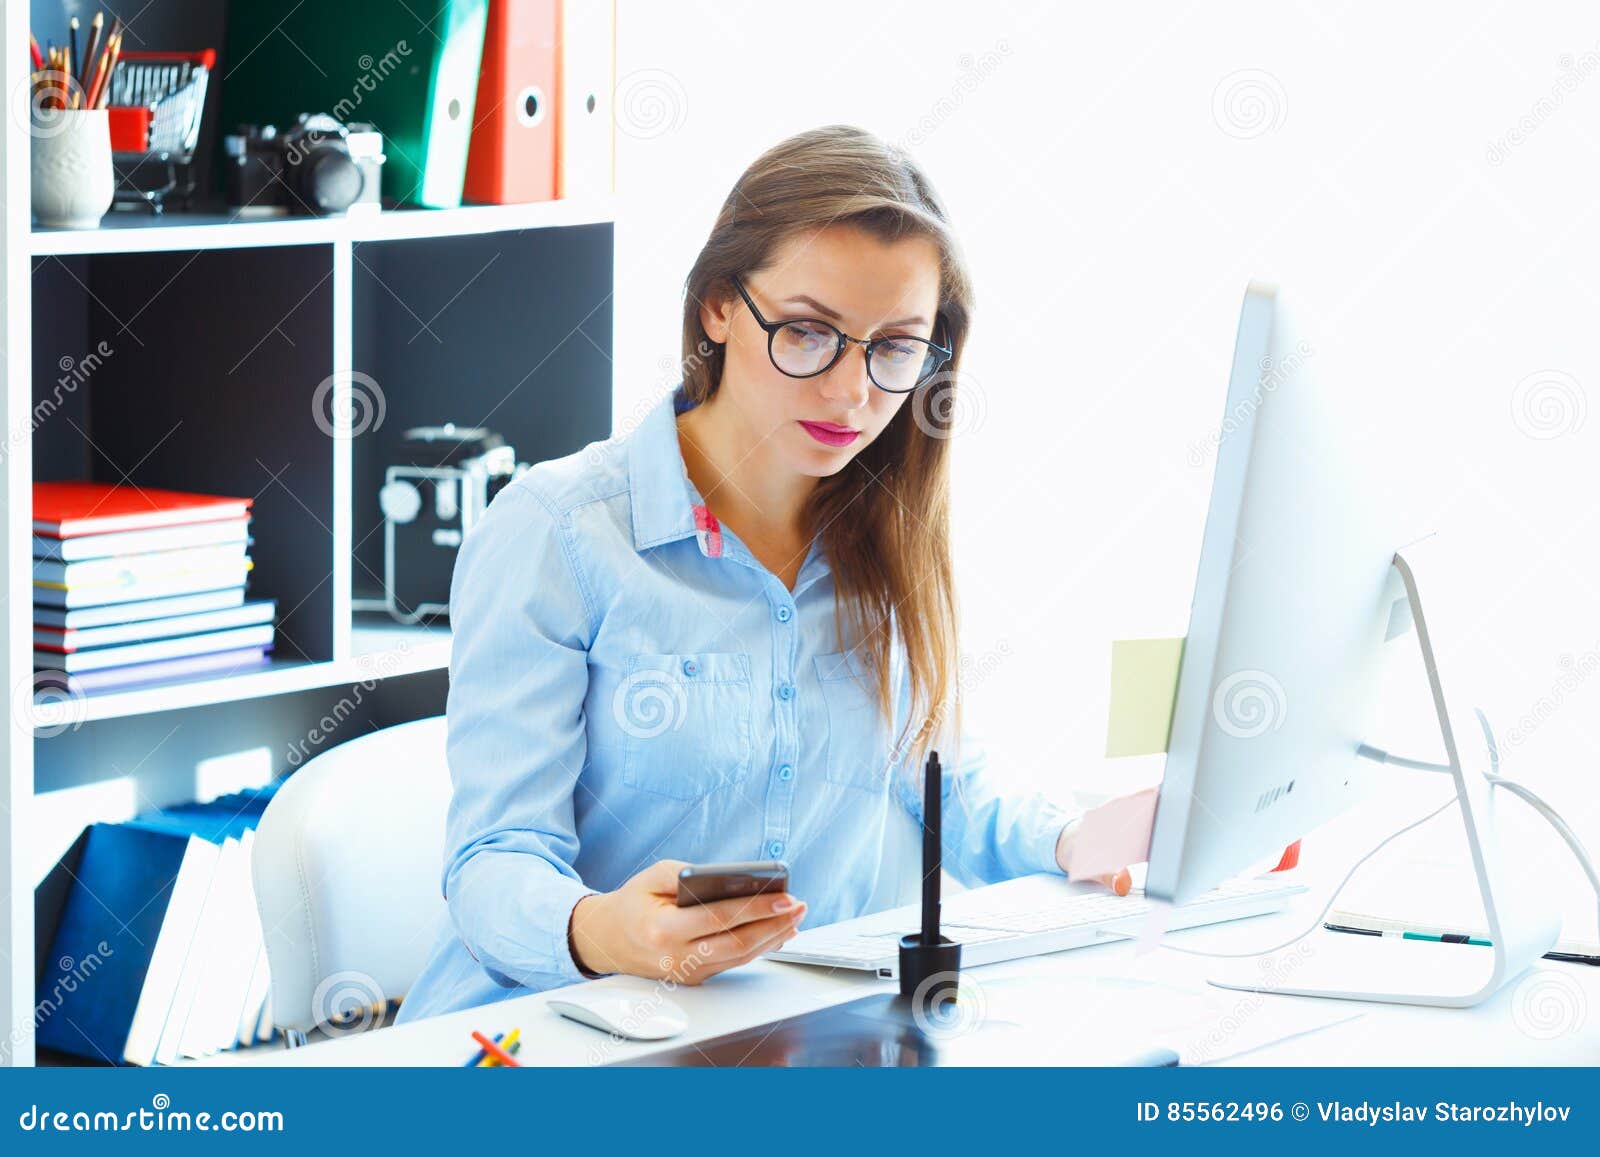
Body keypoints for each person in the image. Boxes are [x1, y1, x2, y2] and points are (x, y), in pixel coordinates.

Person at [398, 125, 1147, 1023]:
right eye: (807, 333)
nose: (851, 394)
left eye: (895, 347)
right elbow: (493, 860)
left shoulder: (889, 539)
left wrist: (1076, 836)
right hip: (551, 1044)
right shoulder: (559, 533)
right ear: (719, 306)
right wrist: (600, 929)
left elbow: (937, 773)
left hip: (788, 1044)